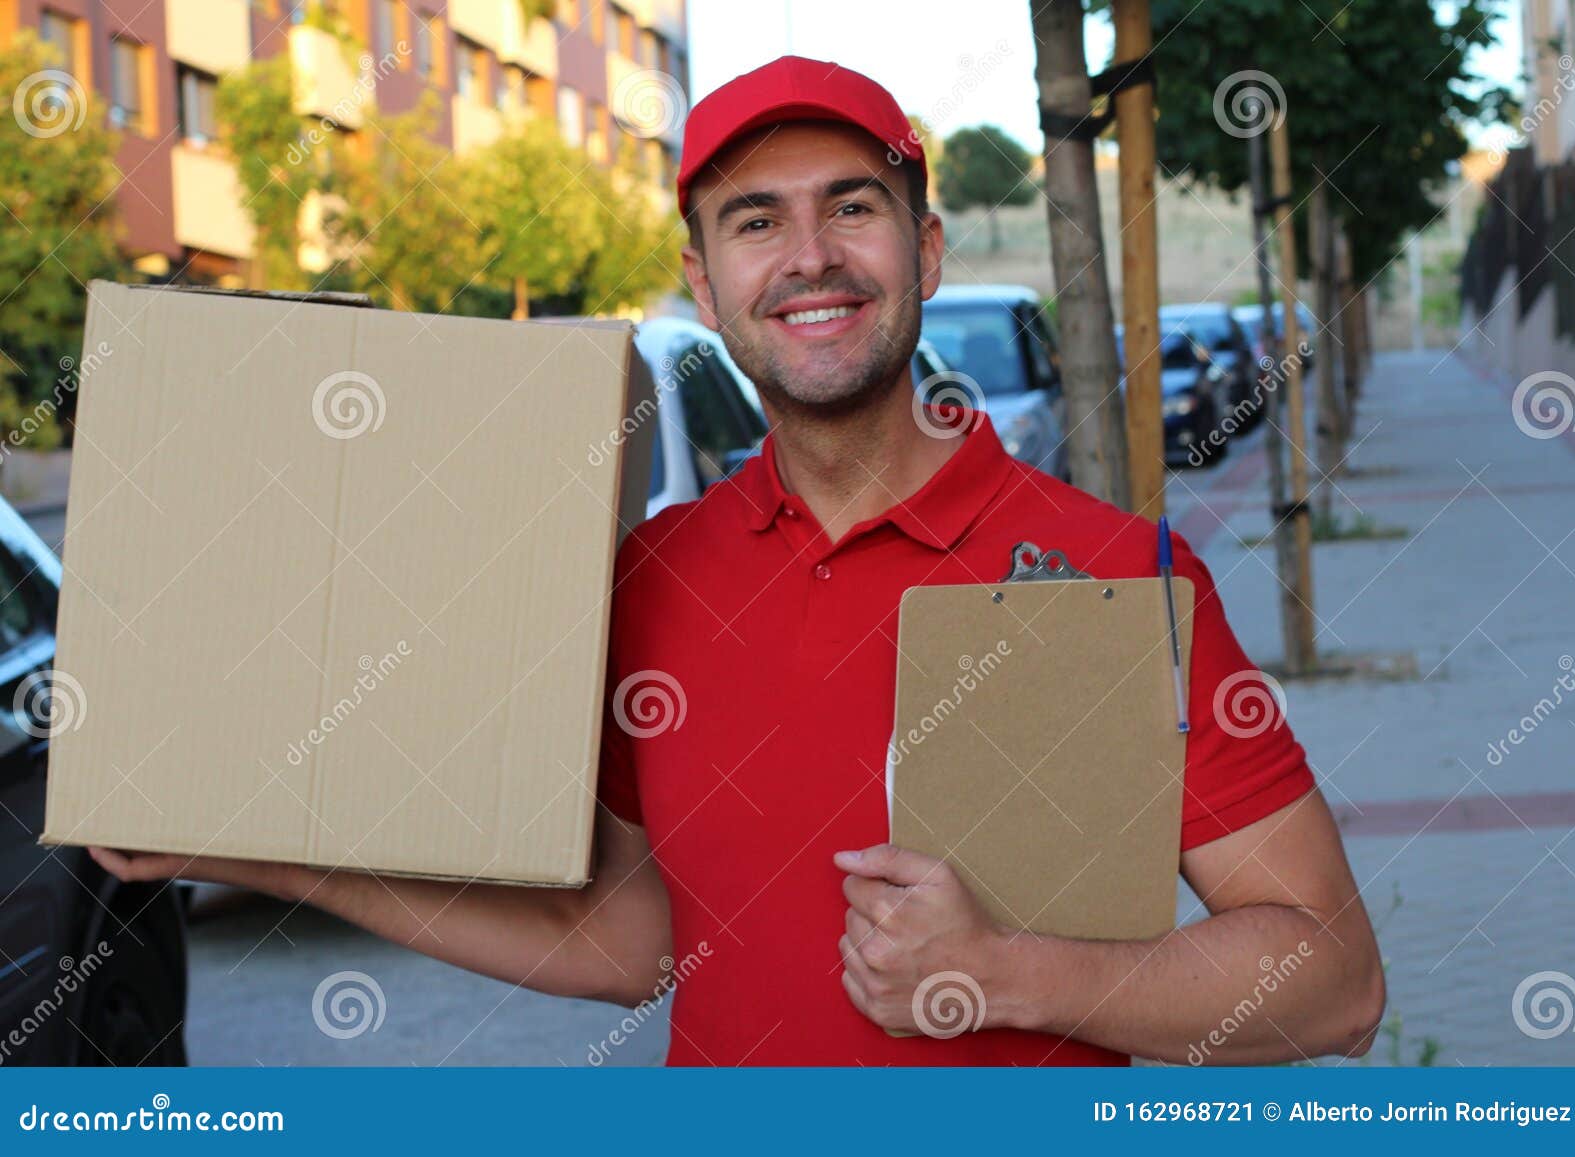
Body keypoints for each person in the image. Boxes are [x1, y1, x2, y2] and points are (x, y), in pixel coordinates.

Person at [93, 55, 1383, 1066]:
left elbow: (1333, 981)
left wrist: (1009, 972)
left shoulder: (1113, 578)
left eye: (854, 208)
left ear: (924, 251)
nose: (810, 255)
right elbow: (631, 935)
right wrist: (255, 854)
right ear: (705, 288)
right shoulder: (646, 579)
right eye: (755, 220)